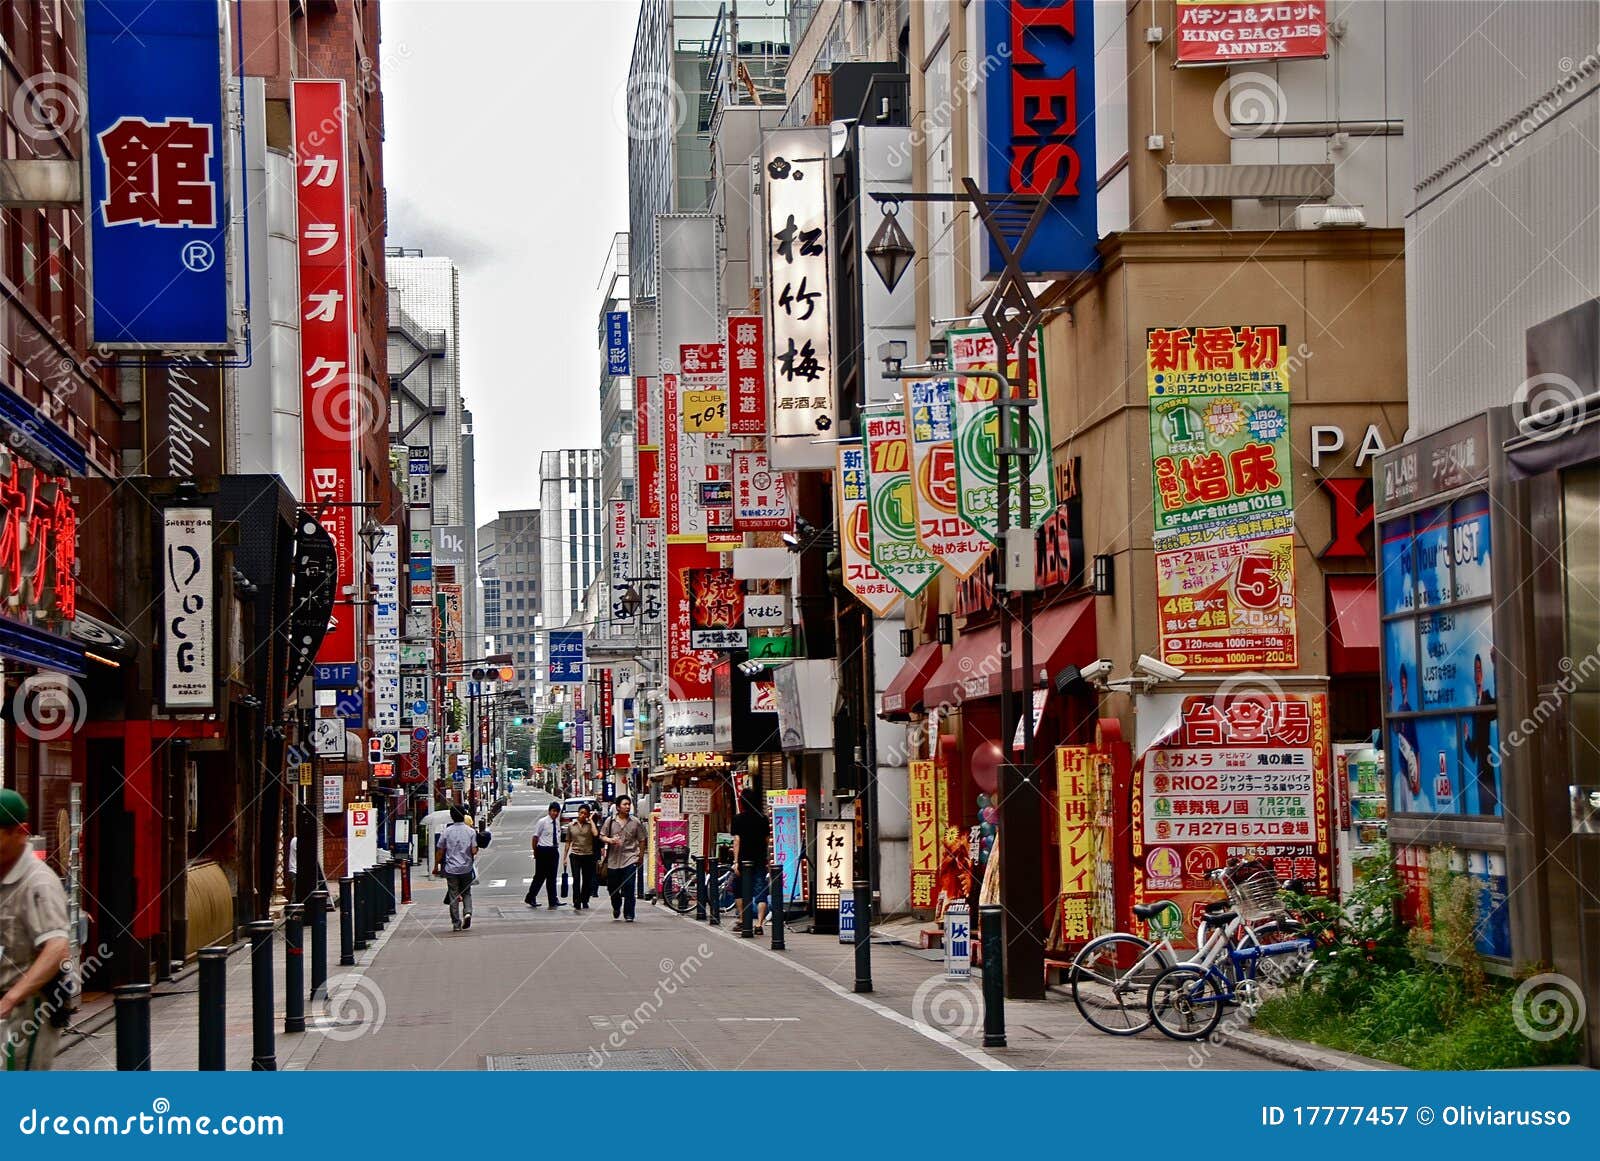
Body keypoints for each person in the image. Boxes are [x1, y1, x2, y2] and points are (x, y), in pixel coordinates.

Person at [0, 790, 70, 1071]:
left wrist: (11, 998)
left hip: (27, 1010)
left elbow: (57, 948)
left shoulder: (38, 883)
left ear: (21, 832)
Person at [599, 795, 647, 922]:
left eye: (629, 804)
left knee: (630, 886)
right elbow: (602, 836)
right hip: (613, 860)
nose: (627, 806)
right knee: (613, 888)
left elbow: (642, 839)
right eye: (625, 804)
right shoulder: (610, 821)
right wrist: (610, 840)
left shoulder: (635, 822)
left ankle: (629, 913)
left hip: (630, 858)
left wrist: (640, 856)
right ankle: (616, 905)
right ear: (618, 807)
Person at [731, 788, 772, 934]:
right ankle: (759, 924)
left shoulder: (738, 819)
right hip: (759, 860)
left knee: (738, 889)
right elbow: (767, 840)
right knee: (761, 891)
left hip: (743, 860)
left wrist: (736, 861)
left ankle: (743, 919)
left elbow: (737, 840)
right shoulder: (763, 819)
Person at [434, 806, 477, 931]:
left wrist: (436, 865)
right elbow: (474, 851)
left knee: (453, 895)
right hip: (466, 868)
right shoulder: (470, 831)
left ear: (452, 817)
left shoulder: (447, 832)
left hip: (451, 868)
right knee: (467, 892)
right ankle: (467, 912)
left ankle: (456, 923)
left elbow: (440, 850)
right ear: (464, 815)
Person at [525, 802, 564, 909]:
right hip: (543, 850)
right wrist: (535, 851)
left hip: (553, 850)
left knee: (552, 877)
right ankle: (530, 897)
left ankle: (553, 899)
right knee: (540, 876)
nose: (555, 814)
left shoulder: (557, 822)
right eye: (553, 811)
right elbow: (535, 837)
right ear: (549, 811)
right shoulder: (542, 822)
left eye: (557, 812)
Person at [565, 804, 600, 911]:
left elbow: (595, 834)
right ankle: (576, 901)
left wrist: (591, 820)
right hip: (575, 855)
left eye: (585, 813)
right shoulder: (571, 825)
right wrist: (565, 857)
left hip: (588, 855)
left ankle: (585, 900)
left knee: (587, 879)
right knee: (576, 879)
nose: (583, 815)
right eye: (581, 813)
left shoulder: (590, 825)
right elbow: (567, 842)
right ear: (578, 813)